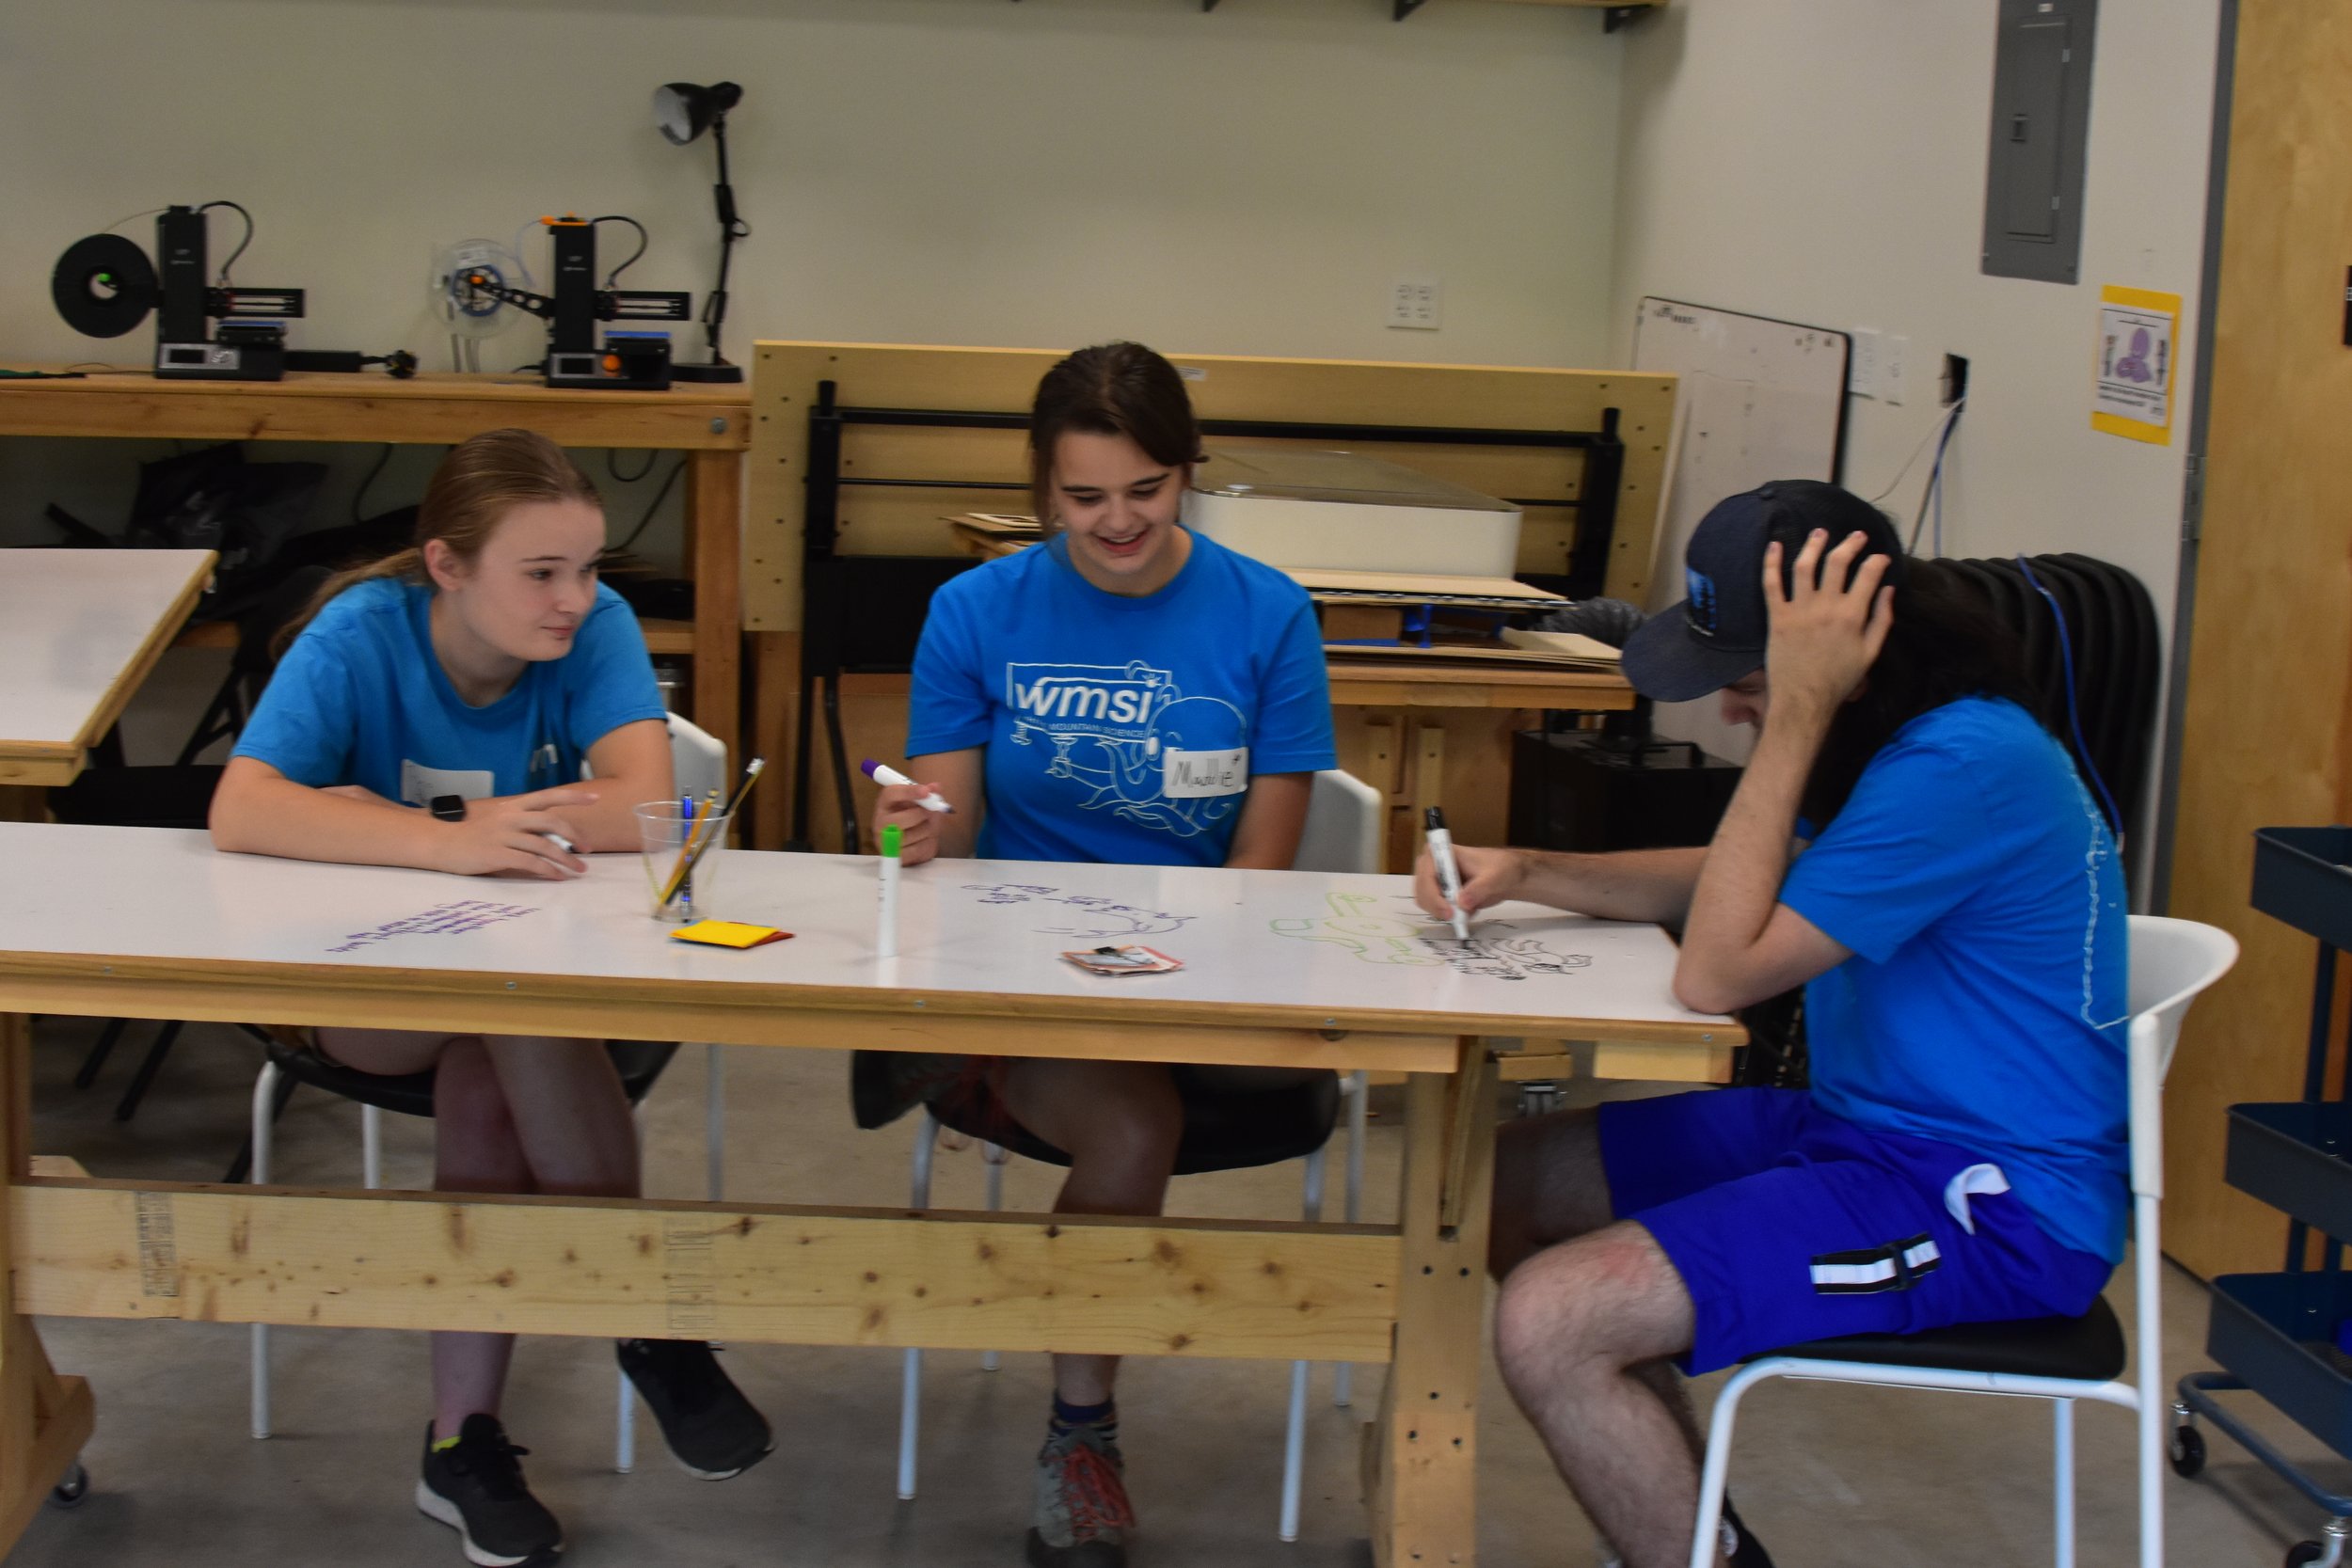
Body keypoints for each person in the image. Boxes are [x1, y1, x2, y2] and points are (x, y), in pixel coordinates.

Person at [1418, 482, 2126, 1568]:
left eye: (1745, 681)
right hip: (1858, 1132)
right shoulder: (1896, 739)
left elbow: (1717, 969)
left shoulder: (1963, 763)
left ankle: (1685, 1543)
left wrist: (1797, 708)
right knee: (1498, 1184)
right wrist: (1531, 870)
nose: (1734, 708)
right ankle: (1682, 1523)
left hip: (1994, 1201)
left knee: (1553, 1319)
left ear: (1847, 649)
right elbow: (1742, 880)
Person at [212, 428, 771, 1568]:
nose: (575, 601)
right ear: (447, 565)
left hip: (520, 989)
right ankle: (647, 1315)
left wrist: (367, 820)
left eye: (588, 569)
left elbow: (649, 802)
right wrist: (451, 840)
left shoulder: (594, 626)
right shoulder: (359, 631)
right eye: (542, 573)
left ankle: (462, 1445)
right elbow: (243, 808)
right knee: (511, 1020)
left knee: (490, 1066)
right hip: (368, 987)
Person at [859, 341, 1339, 1568]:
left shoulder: (1266, 610)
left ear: (1187, 471)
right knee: (1131, 1125)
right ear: (1041, 488)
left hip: (1204, 981)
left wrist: (1177, 982)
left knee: (1178, 1093)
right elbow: (950, 837)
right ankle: (1083, 1431)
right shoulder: (976, 611)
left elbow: (1258, 874)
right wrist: (915, 827)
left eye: (1146, 489)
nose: (1117, 522)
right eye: (1084, 498)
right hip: (1018, 984)